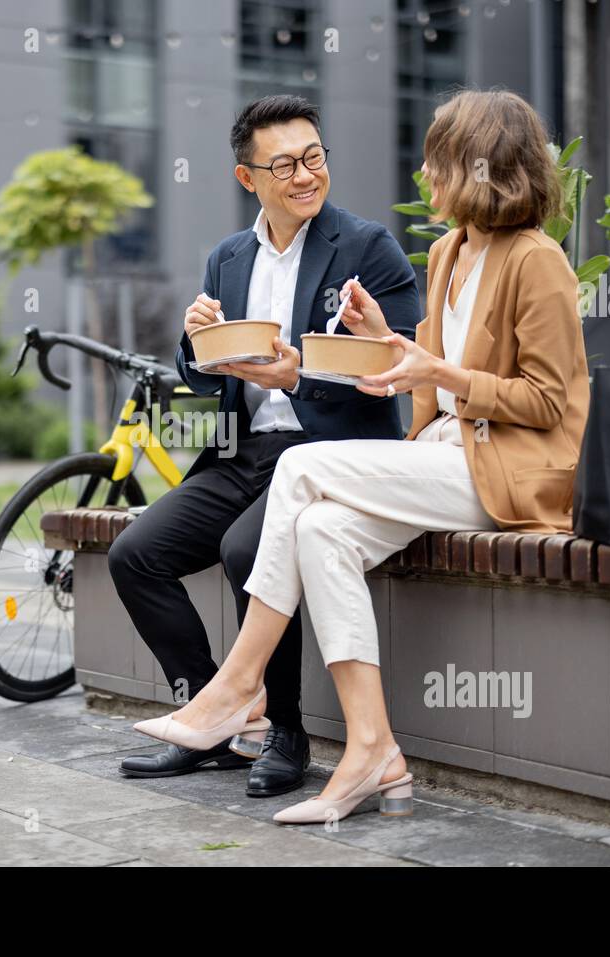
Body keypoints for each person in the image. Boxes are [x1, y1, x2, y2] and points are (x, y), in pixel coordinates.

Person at [133, 89, 590, 824]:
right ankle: (373, 747)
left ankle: (236, 685)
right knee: (320, 531)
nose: (422, 174)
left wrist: (435, 372)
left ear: (478, 168)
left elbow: (549, 404)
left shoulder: (537, 261)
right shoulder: (449, 253)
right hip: (445, 454)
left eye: (435, 159)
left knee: (301, 469)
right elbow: (422, 384)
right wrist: (387, 341)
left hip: (512, 472)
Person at [109, 94, 421, 797]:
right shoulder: (227, 258)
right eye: (284, 164)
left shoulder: (366, 247)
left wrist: (301, 374)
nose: (305, 175)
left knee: (247, 548)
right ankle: (212, 717)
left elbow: (396, 364)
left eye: (313, 157)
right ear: (247, 177)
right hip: (246, 449)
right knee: (136, 554)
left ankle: (286, 730)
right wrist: (194, 344)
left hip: (330, 450)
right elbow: (209, 367)